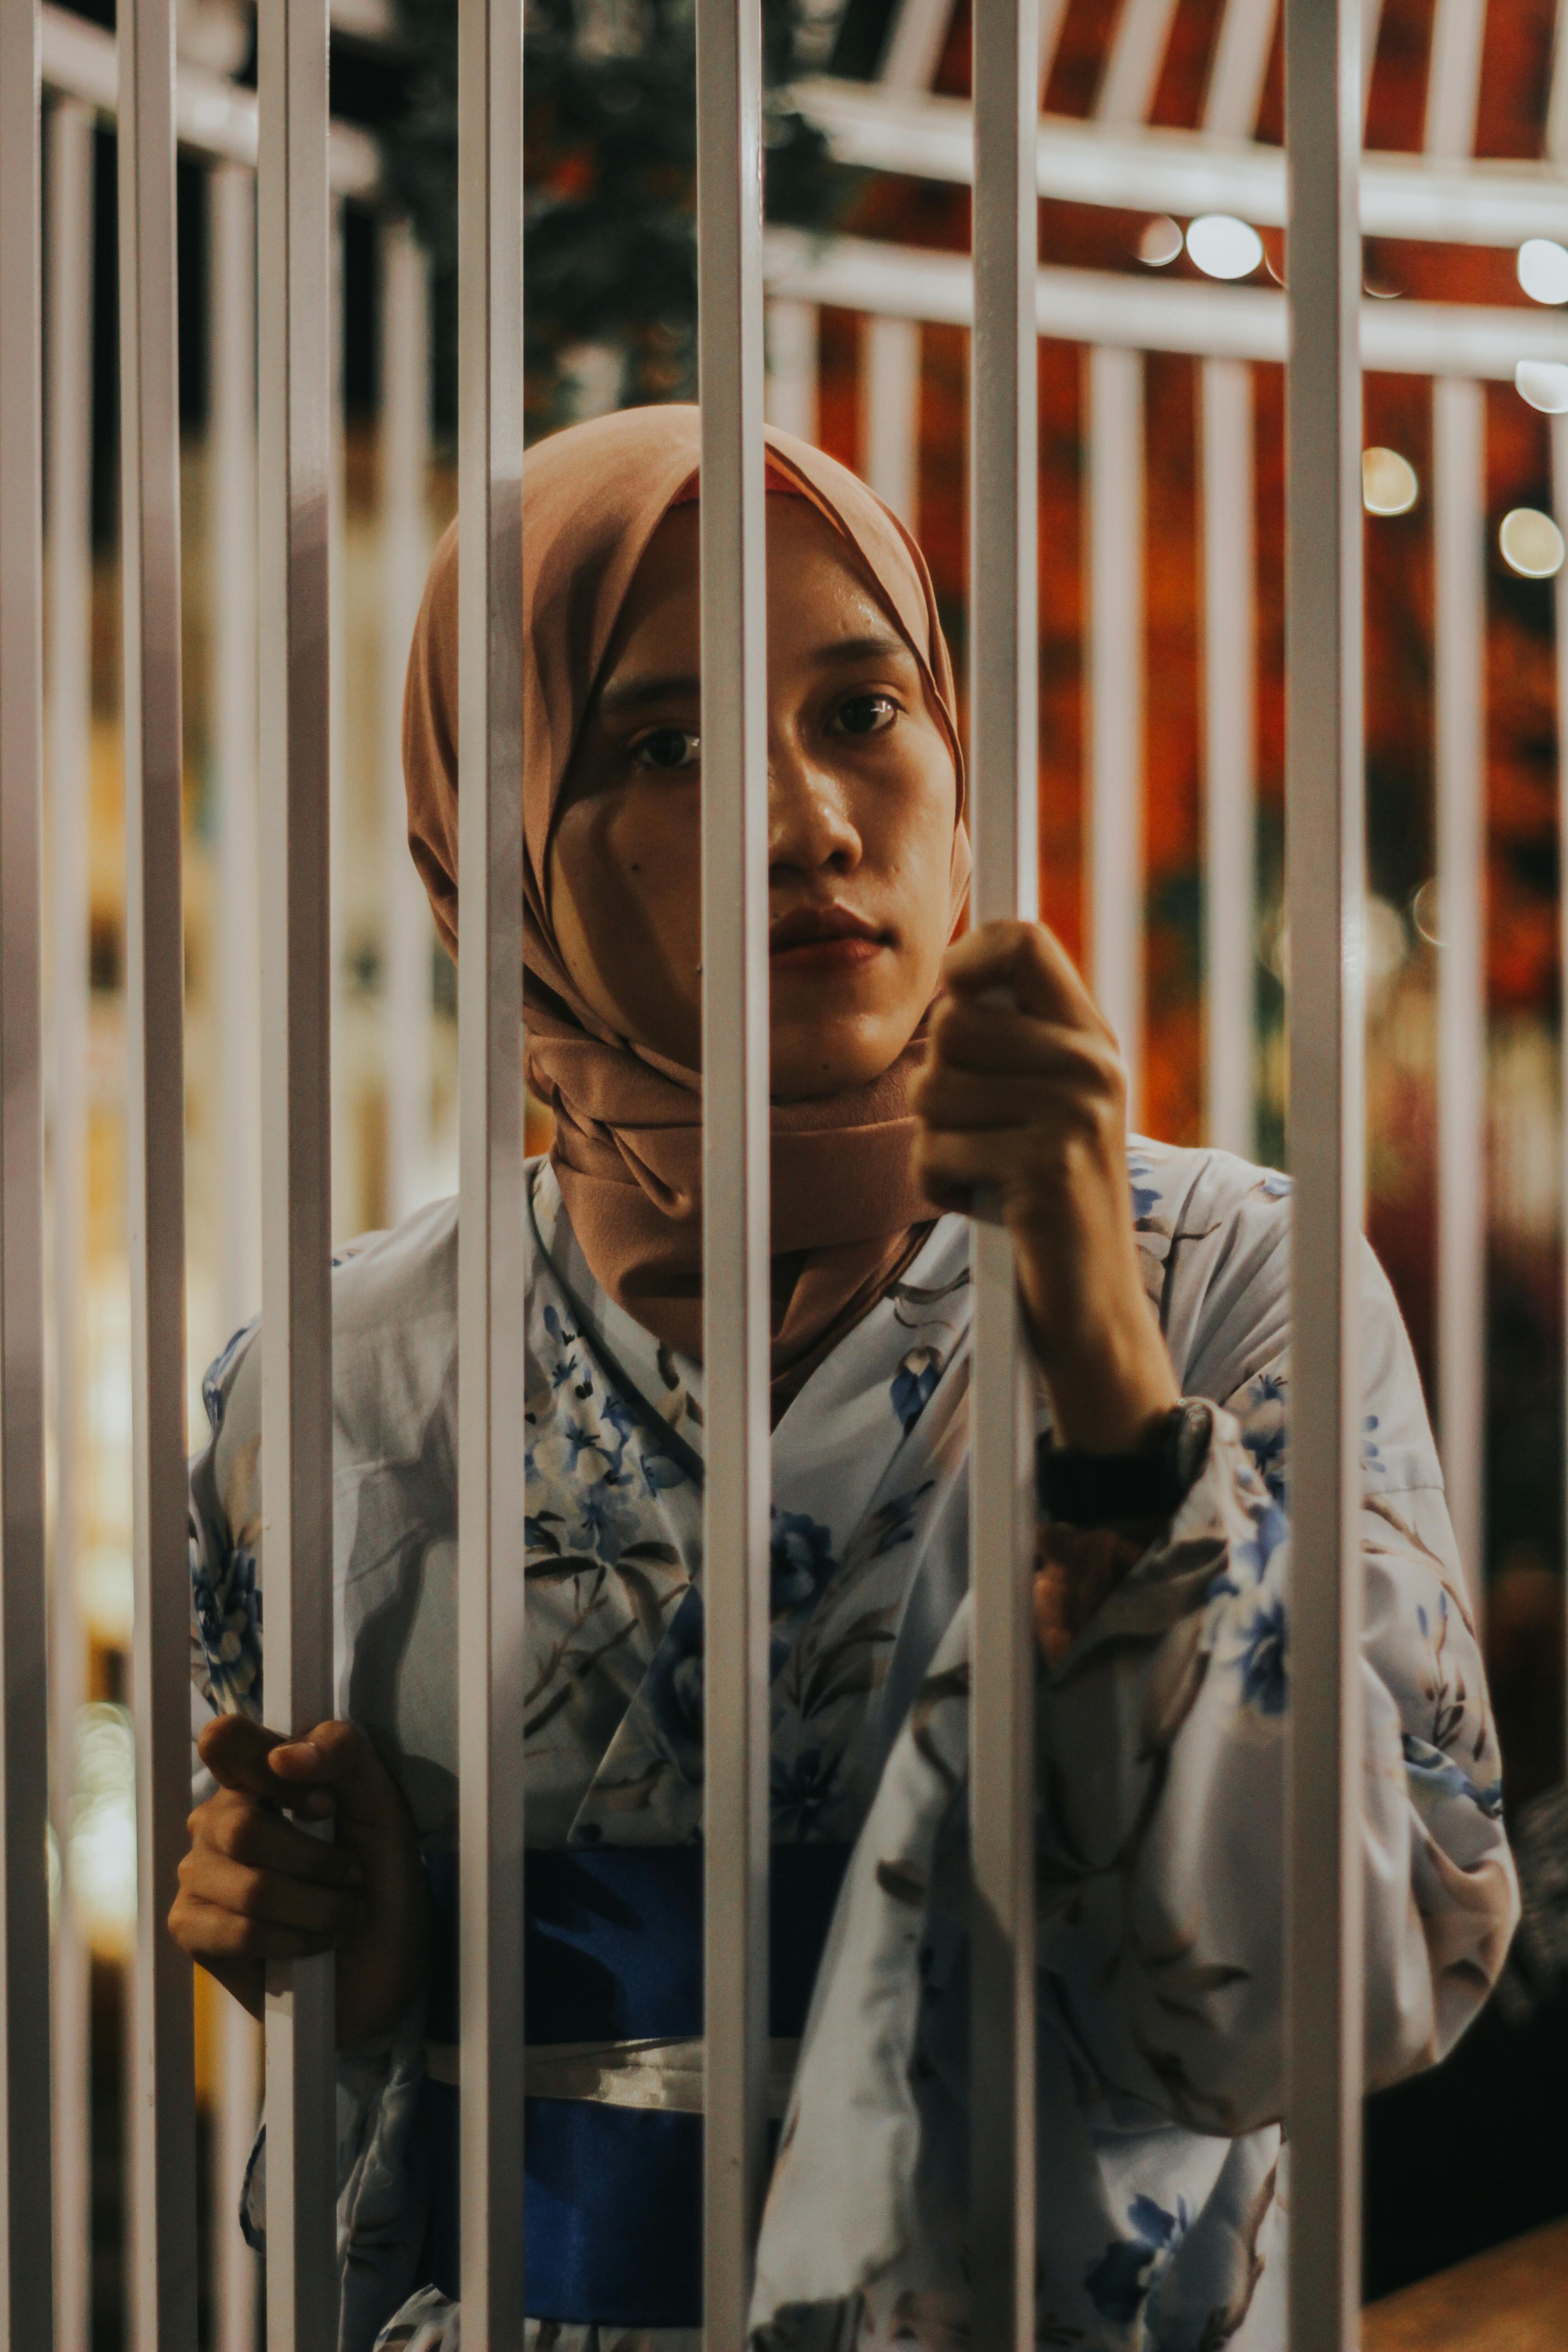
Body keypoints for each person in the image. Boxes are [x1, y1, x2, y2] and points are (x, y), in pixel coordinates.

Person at [172, 405, 1518, 2352]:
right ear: (494, 834)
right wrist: (359, 1965)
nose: (805, 821)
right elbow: (370, 2136)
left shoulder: (1223, 1277)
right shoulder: (339, 1379)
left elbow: (1349, 1989)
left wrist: (1110, 1380)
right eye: (665, 745)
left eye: (864, 710)